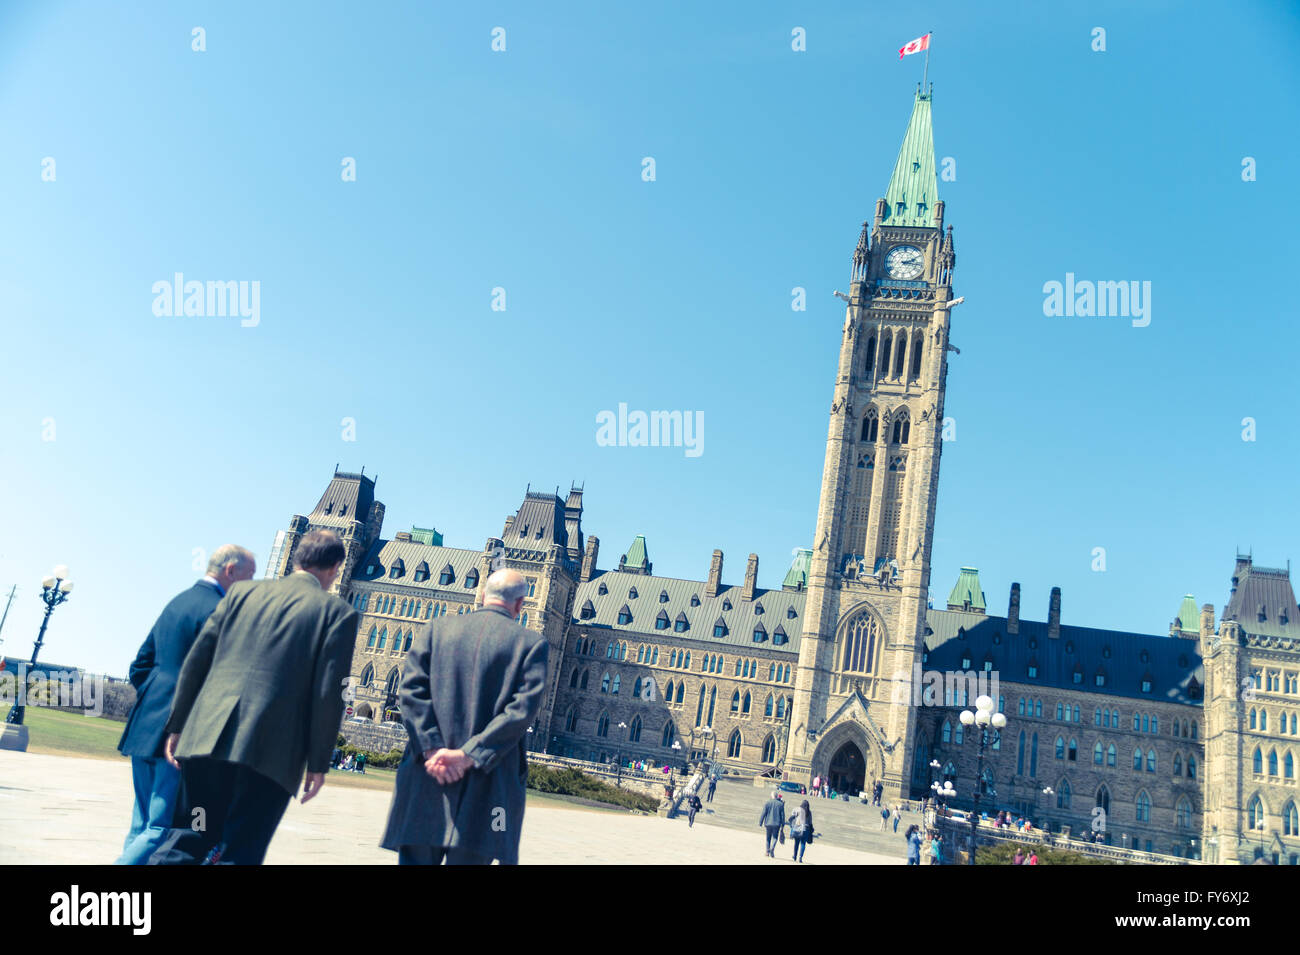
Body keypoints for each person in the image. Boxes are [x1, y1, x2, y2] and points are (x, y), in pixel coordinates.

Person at [151, 530, 357, 865]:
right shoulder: (337, 614)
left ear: (296, 559)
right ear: (335, 569)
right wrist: (319, 762)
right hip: (268, 758)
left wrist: (178, 725)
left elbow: (197, 660)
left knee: (190, 834)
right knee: (241, 849)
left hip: (207, 745)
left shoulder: (241, 594)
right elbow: (328, 694)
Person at [381, 569, 549, 865]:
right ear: (521, 604)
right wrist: (469, 755)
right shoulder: (531, 645)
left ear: (483, 594)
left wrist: (433, 748)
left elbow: (410, 691)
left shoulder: (436, 629)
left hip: (427, 776)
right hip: (489, 787)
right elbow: (521, 712)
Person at [114, 545, 256, 865]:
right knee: (160, 827)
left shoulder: (176, 602)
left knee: (140, 825)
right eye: (249, 576)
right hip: (178, 732)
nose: (250, 585)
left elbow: (140, 665)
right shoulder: (220, 612)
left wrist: (154, 699)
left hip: (144, 723)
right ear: (231, 571)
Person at [759, 787, 785, 857]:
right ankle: (772, 848)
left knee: (768, 838)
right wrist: (783, 824)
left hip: (768, 823)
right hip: (777, 823)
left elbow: (763, 813)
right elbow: (782, 815)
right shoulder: (780, 804)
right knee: (775, 837)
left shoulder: (768, 803)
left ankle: (767, 852)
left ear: (772, 796)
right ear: (777, 796)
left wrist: (760, 822)